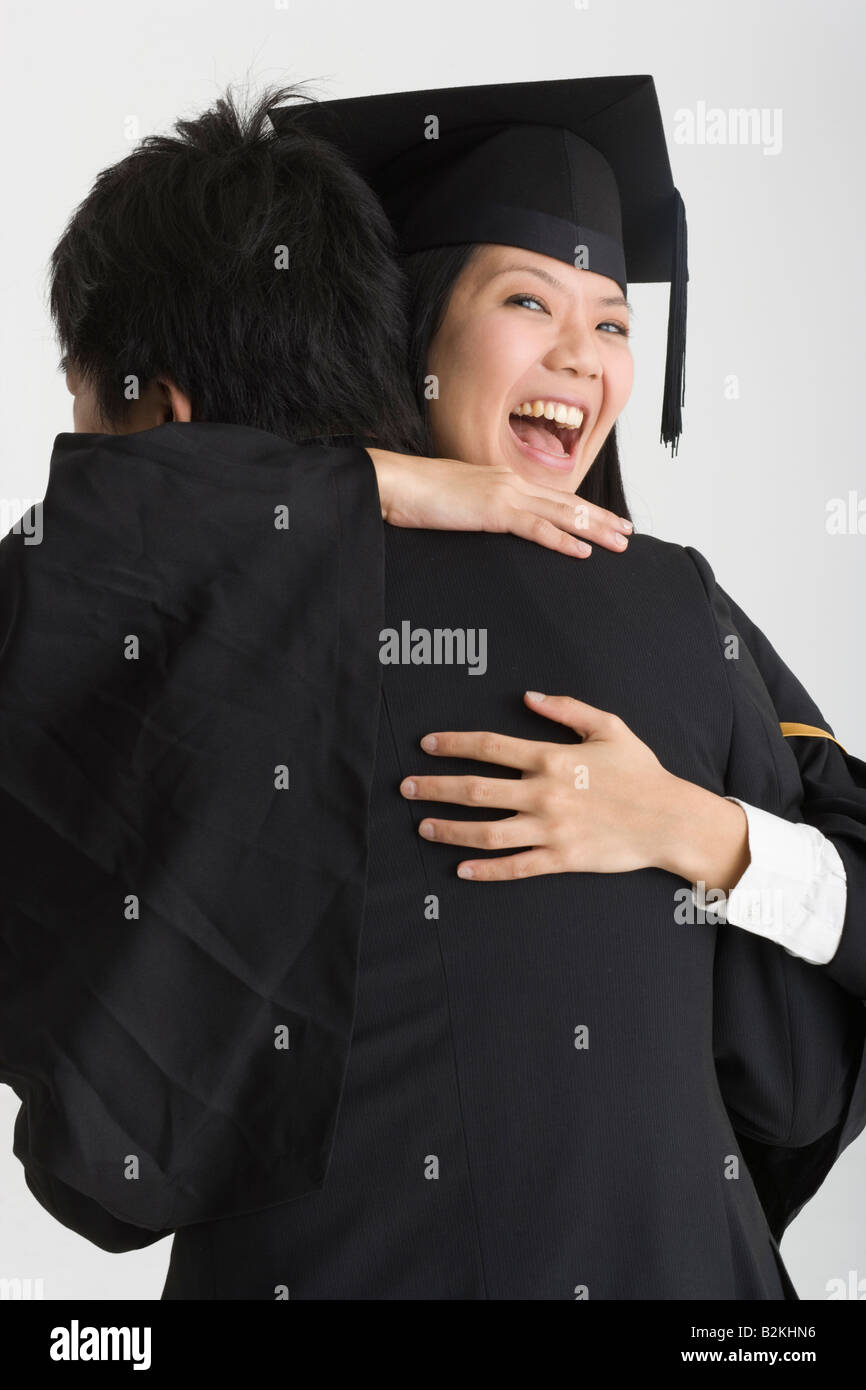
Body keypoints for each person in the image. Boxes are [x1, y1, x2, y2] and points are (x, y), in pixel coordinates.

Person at [158, 77, 866, 1298]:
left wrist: (687, 826)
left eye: (611, 321)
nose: (578, 360)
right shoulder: (264, 576)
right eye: (527, 300)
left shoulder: (676, 611)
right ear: (416, 328)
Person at [0, 83, 634, 1260]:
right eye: (531, 300)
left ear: (167, 421)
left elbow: (117, 1160)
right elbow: (787, 1075)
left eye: (87, 420)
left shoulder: (119, 631)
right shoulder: (669, 611)